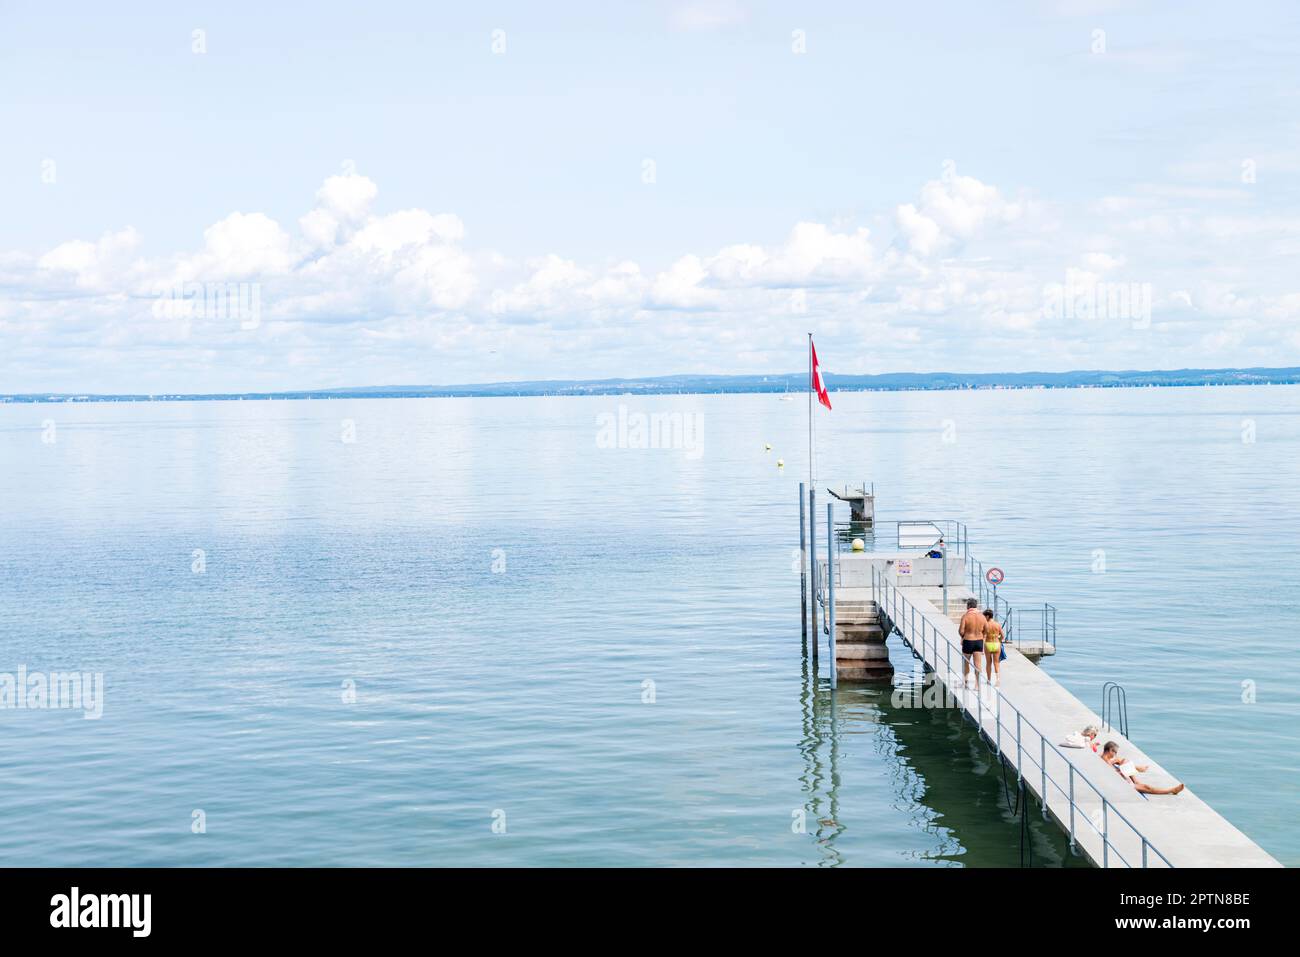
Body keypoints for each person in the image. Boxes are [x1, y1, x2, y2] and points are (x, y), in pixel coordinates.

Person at [1101, 742, 1185, 795]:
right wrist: (1120, 769)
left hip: (1124, 779)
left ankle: (1137, 778)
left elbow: (1116, 763)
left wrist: (1120, 765)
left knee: (1124, 761)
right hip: (1123, 783)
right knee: (1147, 787)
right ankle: (1171, 791)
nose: (1115, 754)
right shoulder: (1105, 761)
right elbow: (1111, 774)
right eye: (1114, 752)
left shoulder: (1107, 759)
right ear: (1110, 750)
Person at [958, 598, 985, 689]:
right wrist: (981, 636)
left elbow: (961, 631)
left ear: (968, 606)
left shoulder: (965, 616)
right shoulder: (982, 617)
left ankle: (965, 682)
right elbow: (986, 630)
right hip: (979, 641)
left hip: (968, 641)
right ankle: (977, 684)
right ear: (976, 606)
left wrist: (963, 637)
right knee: (978, 664)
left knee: (966, 663)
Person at [982, 609, 1004, 685]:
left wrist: (981, 648)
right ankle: (998, 680)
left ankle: (989, 680)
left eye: (984, 616)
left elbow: (983, 637)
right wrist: (999, 640)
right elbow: (1002, 636)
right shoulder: (997, 624)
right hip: (996, 644)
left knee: (988, 663)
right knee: (996, 663)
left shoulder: (985, 625)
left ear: (987, 616)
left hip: (988, 644)